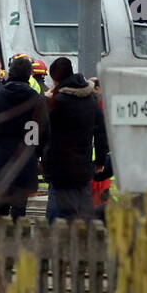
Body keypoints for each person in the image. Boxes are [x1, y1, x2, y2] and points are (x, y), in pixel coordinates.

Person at [42, 57, 110, 222]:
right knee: (83, 206)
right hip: (84, 165)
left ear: (56, 78)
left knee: (57, 209)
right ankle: (84, 238)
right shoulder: (90, 101)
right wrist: (100, 160)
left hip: (60, 165)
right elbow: (101, 131)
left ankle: (53, 238)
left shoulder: (57, 102)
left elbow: (41, 128)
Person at [0, 56, 49, 220]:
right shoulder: (38, 100)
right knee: (19, 206)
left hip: (1, 154)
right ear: (29, 74)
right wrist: (38, 154)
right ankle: (18, 238)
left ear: (11, 72)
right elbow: (43, 131)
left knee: (0, 205)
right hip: (26, 156)